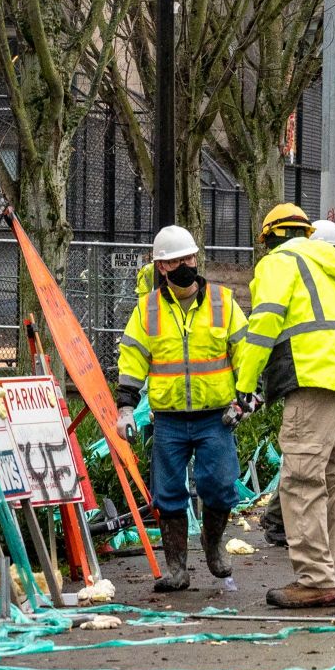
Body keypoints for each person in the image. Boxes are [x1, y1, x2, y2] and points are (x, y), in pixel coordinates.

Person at [235, 202, 335, 609]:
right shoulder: (330, 269)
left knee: (300, 480)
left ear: (270, 238)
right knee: (329, 479)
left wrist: (244, 383)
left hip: (311, 378)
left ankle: (314, 579)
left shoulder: (278, 263)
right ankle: (327, 575)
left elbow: (264, 324)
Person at [115, 225, 250, 592]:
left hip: (215, 417)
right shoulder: (148, 310)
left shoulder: (223, 302)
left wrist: (247, 396)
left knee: (220, 486)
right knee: (168, 493)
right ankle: (177, 569)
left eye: (189, 258)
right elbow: (132, 358)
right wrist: (125, 407)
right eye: (176, 261)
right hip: (169, 419)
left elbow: (245, 351)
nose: (186, 265)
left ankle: (213, 544)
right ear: (161, 267)